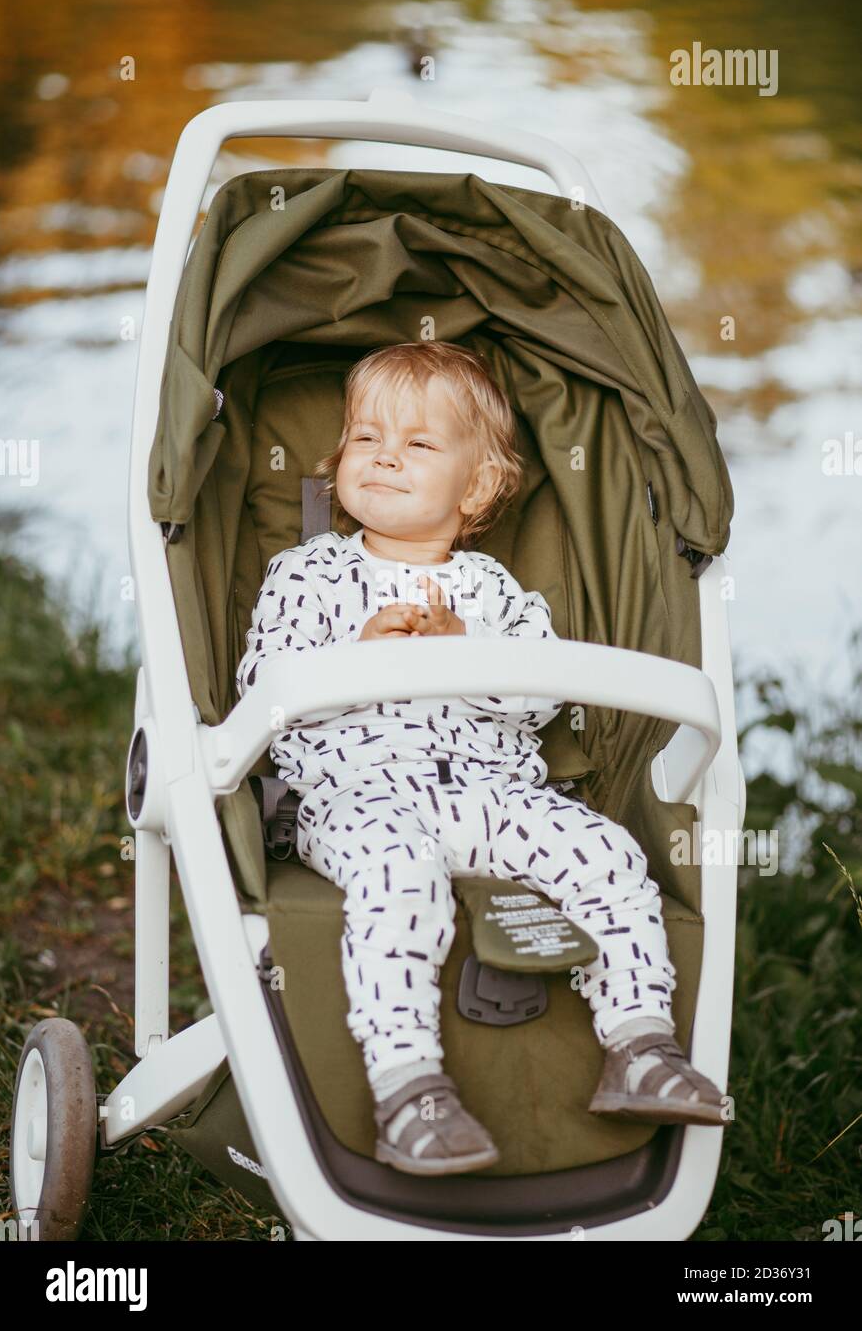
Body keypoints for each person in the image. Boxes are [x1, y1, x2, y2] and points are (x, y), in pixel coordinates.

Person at [236, 339, 728, 1177]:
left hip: (490, 794)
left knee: (607, 854)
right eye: (365, 437)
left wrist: (470, 645)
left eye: (419, 444)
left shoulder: (494, 593)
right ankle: (407, 1087)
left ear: (477, 487)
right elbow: (262, 690)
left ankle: (639, 1040)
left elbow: (540, 701)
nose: (385, 455)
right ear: (338, 461)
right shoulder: (308, 573)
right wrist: (358, 652)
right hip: (357, 797)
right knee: (399, 874)